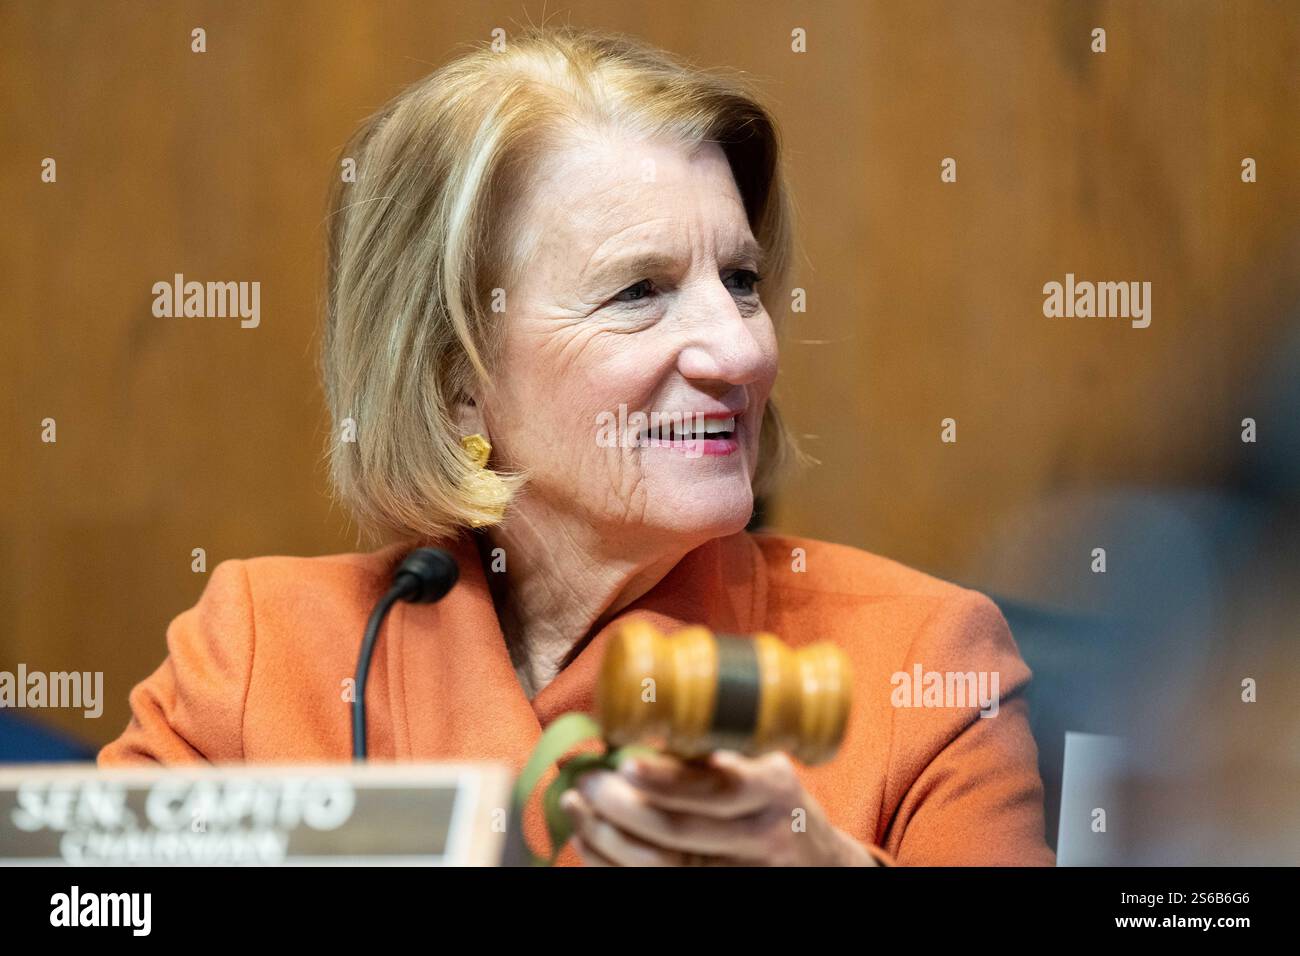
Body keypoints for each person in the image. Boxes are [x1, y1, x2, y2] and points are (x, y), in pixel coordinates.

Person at [100, 26, 1054, 867]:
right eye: (638, 291)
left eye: (742, 279)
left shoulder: (922, 663)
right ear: (453, 381)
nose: (740, 348)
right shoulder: (260, 653)